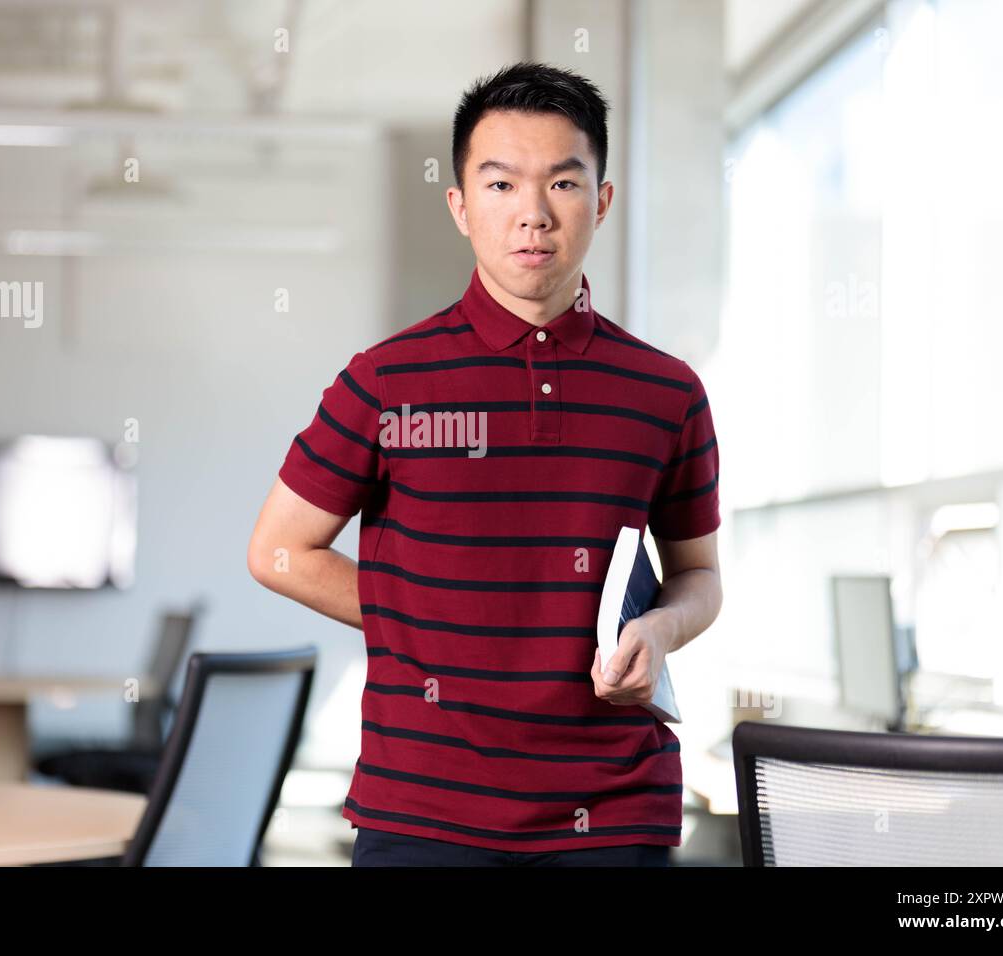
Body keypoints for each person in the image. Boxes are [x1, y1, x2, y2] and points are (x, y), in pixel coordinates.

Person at [248, 61, 722, 867]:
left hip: (610, 814)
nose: (533, 215)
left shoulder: (667, 391)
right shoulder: (386, 378)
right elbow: (278, 552)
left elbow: (699, 576)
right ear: (462, 208)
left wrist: (661, 628)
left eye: (563, 184)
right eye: (501, 186)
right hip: (425, 812)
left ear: (601, 202)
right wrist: (423, 622)